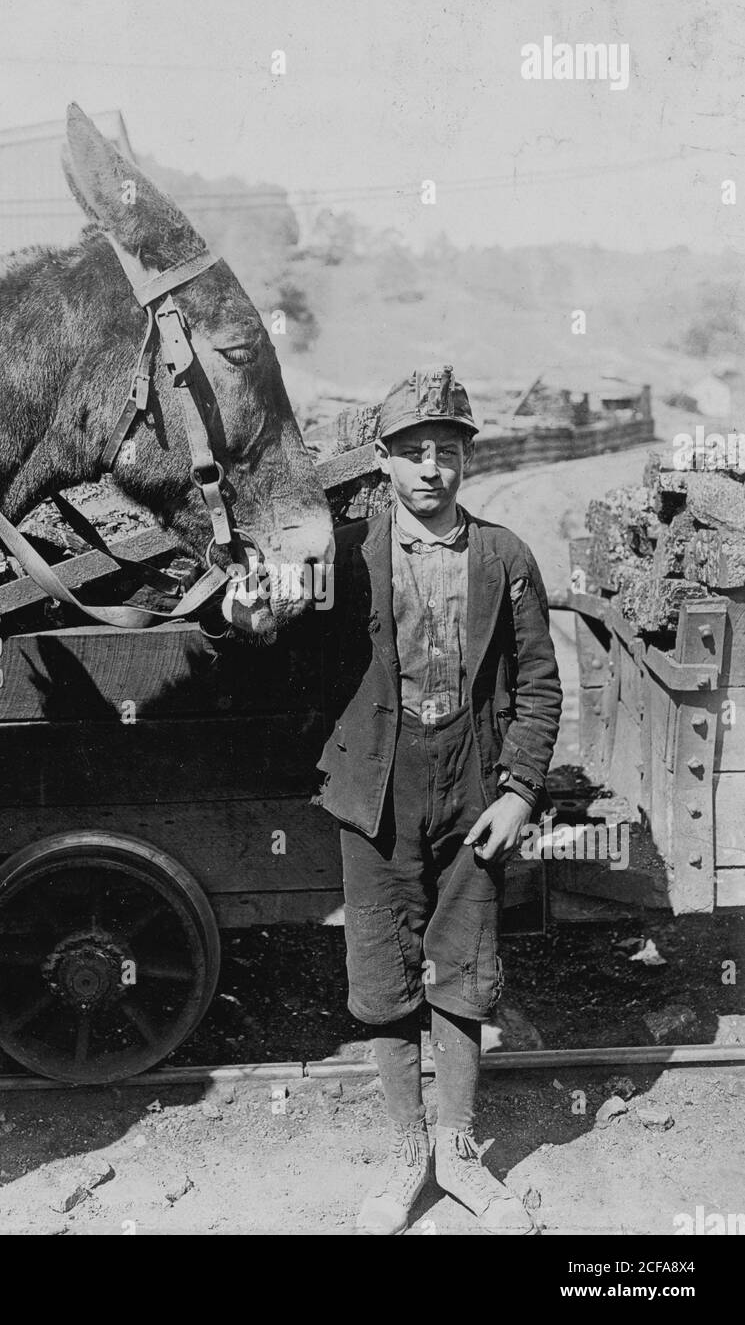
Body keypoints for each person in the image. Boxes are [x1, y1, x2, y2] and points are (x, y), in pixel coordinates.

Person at [313, 365, 562, 1235]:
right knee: (381, 976)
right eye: (412, 453)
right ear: (381, 463)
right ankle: (402, 1153)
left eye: (446, 452)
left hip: (472, 786)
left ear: (465, 461)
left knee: (462, 969)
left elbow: (537, 683)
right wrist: (253, 612)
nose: (430, 469)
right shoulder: (345, 560)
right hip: (376, 788)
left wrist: (520, 791)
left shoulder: (503, 556)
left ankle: (456, 1152)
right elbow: (283, 658)